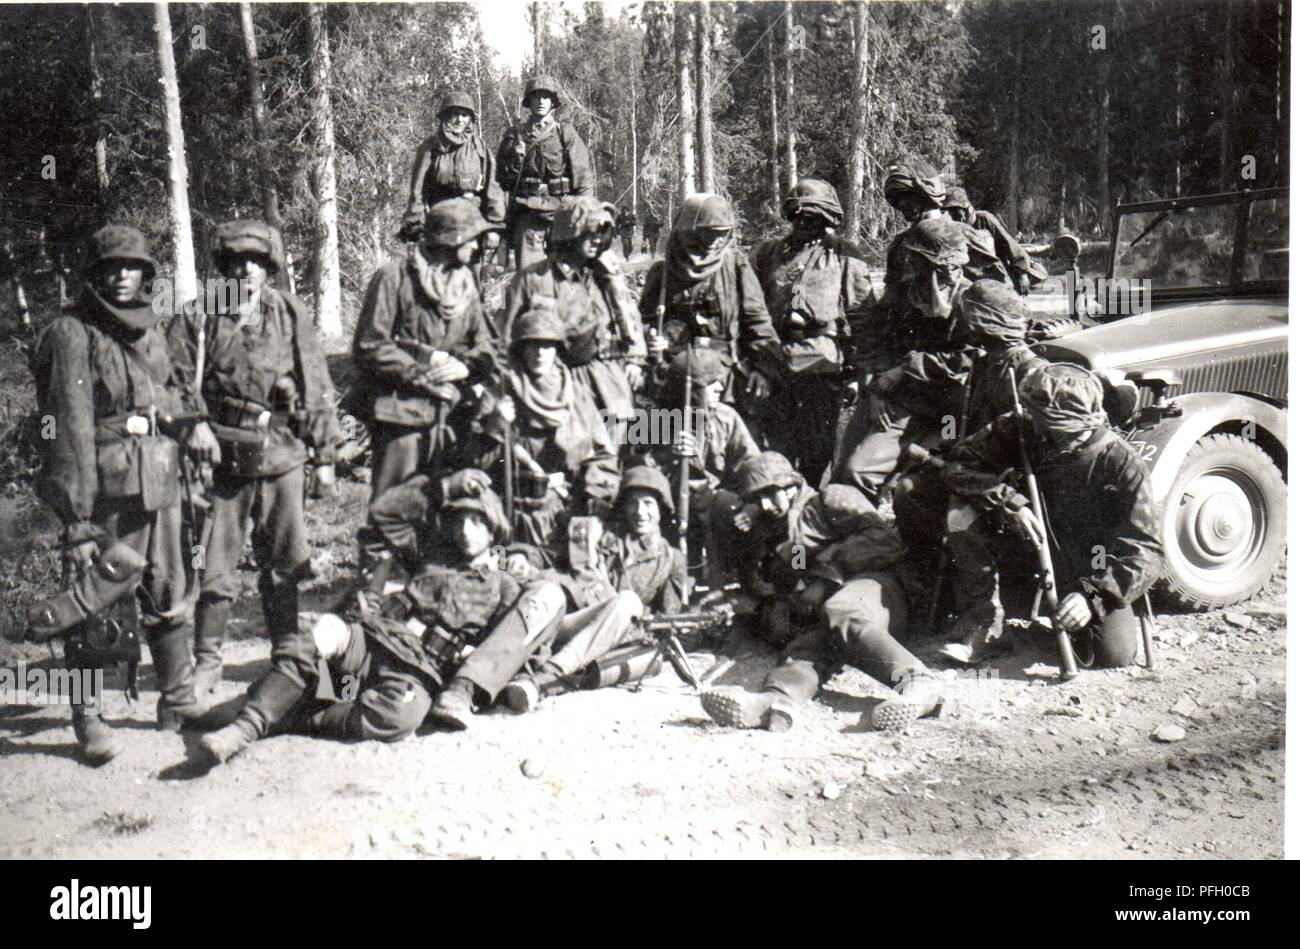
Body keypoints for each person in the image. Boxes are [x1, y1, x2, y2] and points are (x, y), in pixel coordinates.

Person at [199, 473, 546, 759]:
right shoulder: (432, 558)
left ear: (494, 528)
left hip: (414, 673)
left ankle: (290, 715)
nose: (466, 531)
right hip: (372, 645)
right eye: (459, 520)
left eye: (477, 521)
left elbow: (510, 647)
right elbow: (385, 513)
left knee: (400, 717)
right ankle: (246, 728)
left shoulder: (504, 587)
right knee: (328, 631)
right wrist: (447, 486)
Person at [30, 225, 209, 762]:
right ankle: (89, 718)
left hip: (159, 478)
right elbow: (68, 431)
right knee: (97, 598)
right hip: (105, 489)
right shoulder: (71, 333)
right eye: (113, 266)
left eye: (135, 267)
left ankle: (176, 698)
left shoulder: (151, 330)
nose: (124, 275)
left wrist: (189, 422)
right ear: (93, 274)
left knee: (168, 585)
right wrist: (77, 522)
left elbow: (173, 389)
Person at [180, 220, 339, 699]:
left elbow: (315, 383)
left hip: (281, 451)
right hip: (222, 456)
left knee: (285, 561)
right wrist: (196, 425)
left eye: (256, 260)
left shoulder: (288, 312)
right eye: (236, 261)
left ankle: (287, 653)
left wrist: (325, 453)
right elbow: (174, 378)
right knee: (215, 564)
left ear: (269, 267)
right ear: (223, 267)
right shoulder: (199, 315)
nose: (246, 269)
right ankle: (207, 660)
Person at [700, 452, 942, 733]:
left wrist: (829, 576)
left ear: (791, 485)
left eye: (770, 494)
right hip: (833, 617)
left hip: (880, 588)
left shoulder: (830, 498)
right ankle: (775, 701)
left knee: (841, 608)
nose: (764, 505)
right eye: (756, 500)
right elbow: (785, 587)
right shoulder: (775, 536)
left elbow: (884, 540)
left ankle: (918, 681)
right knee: (805, 647)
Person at [939, 363, 1163, 666]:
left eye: (1061, 429)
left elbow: (1146, 551)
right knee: (961, 510)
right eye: (1043, 423)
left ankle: (1061, 613)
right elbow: (958, 466)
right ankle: (988, 623)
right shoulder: (1023, 426)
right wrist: (1009, 501)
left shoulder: (1122, 462)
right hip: (1026, 545)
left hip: (1090, 566)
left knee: (1114, 655)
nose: (1048, 434)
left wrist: (1094, 597)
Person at [501, 465, 689, 712]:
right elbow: (549, 555)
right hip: (570, 622)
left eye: (648, 504)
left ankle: (543, 679)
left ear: (662, 509)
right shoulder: (596, 532)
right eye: (633, 503)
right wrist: (520, 557)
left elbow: (668, 620)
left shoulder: (672, 559)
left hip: (613, 637)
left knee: (628, 604)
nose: (640, 512)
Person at [353, 198, 500, 507]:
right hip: (401, 415)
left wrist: (465, 367)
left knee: (440, 508)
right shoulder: (394, 279)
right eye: (473, 239)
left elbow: (488, 345)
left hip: (452, 415)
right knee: (391, 506)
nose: (477, 247)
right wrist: (425, 365)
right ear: (452, 238)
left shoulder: (466, 286)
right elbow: (370, 345)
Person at [834, 216, 973, 504]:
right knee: (852, 469)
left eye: (920, 259)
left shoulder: (971, 300)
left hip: (950, 412)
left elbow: (972, 358)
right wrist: (876, 389)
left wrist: (906, 369)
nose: (911, 264)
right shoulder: (904, 294)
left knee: (929, 481)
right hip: (902, 402)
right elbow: (877, 340)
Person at [750, 178, 876, 483]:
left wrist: (859, 374)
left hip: (822, 365)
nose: (805, 223)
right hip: (775, 363)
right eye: (799, 216)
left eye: (815, 218)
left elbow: (863, 316)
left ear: (828, 220)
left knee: (816, 451)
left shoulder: (844, 254)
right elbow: (749, 306)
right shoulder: (768, 253)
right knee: (774, 448)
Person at [500, 196, 646, 439]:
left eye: (601, 232)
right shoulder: (532, 279)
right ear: (570, 234)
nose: (597, 239)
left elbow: (629, 316)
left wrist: (634, 360)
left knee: (615, 437)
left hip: (606, 372)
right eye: (590, 233)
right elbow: (505, 337)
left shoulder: (606, 276)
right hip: (554, 376)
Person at [639, 193, 786, 419]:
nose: (717, 241)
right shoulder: (662, 273)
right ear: (689, 233)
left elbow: (757, 320)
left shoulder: (735, 265)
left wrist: (764, 369)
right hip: (675, 375)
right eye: (709, 234)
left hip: (725, 377)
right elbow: (642, 323)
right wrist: (650, 338)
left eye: (723, 234)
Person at [496, 74, 595, 270]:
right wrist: (516, 159)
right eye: (536, 96)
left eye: (546, 96)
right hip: (528, 213)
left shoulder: (564, 132)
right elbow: (501, 179)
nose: (541, 101)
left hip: (562, 213)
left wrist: (585, 217)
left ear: (553, 102)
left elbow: (583, 178)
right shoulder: (515, 136)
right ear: (529, 101)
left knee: (567, 277)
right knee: (529, 276)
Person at [401, 91, 505, 247]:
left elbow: (492, 187)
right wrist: (415, 225)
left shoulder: (479, 146)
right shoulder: (430, 148)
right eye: (454, 114)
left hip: (471, 219)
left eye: (464, 115)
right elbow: (418, 191)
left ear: (470, 119)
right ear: (445, 116)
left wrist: (494, 226)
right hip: (439, 219)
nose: (459, 119)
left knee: (470, 268)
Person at [942, 186, 1038, 296]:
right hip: (969, 283)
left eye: (954, 211)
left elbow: (1010, 246)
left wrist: (1022, 274)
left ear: (966, 208)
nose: (950, 215)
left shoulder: (985, 219)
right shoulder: (951, 228)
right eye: (947, 211)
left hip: (997, 280)